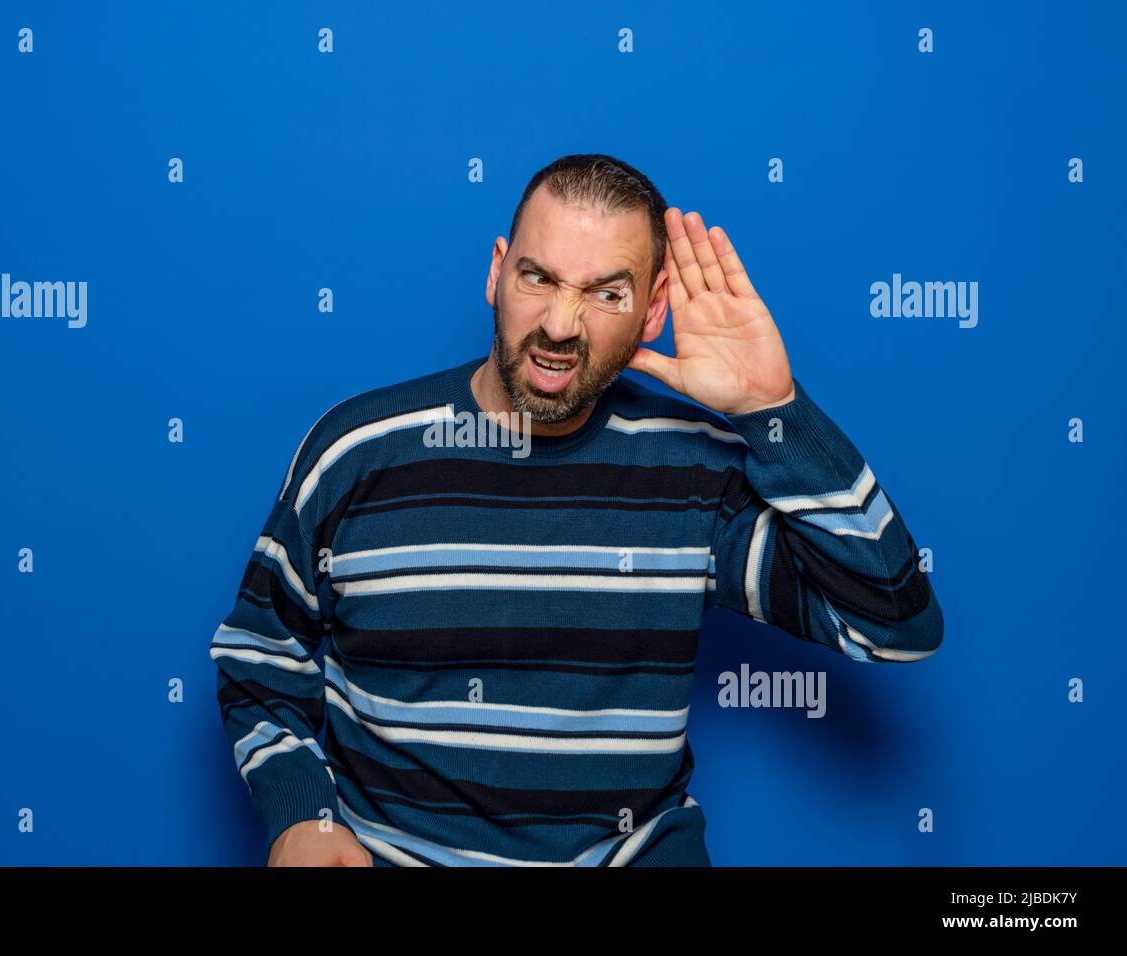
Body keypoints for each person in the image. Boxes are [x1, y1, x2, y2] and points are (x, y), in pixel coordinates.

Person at [209, 153, 944, 867]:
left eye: (606, 292)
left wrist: (773, 411)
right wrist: (300, 812)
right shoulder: (355, 451)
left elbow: (893, 627)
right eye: (538, 277)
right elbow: (259, 654)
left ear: (654, 308)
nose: (561, 324)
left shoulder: (695, 469)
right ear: (498, 271)